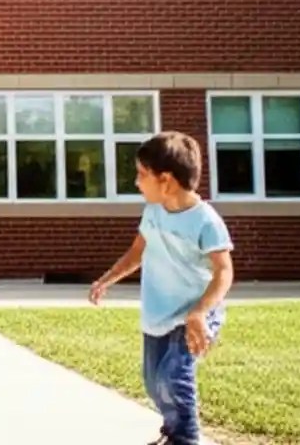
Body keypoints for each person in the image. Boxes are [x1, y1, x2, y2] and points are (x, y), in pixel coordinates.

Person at [88, 131, 234, 445]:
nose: (137, 182)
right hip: (159, 313)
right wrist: (107, 279)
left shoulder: (205, 221)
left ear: (165, 180)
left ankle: (186, 439)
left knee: (174, 376)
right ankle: (173, 430)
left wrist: (199, 312)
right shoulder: (153, 212)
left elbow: (224, 272)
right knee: (154, 382)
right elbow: (137, 251)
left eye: (142, 175)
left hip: (193, 315)